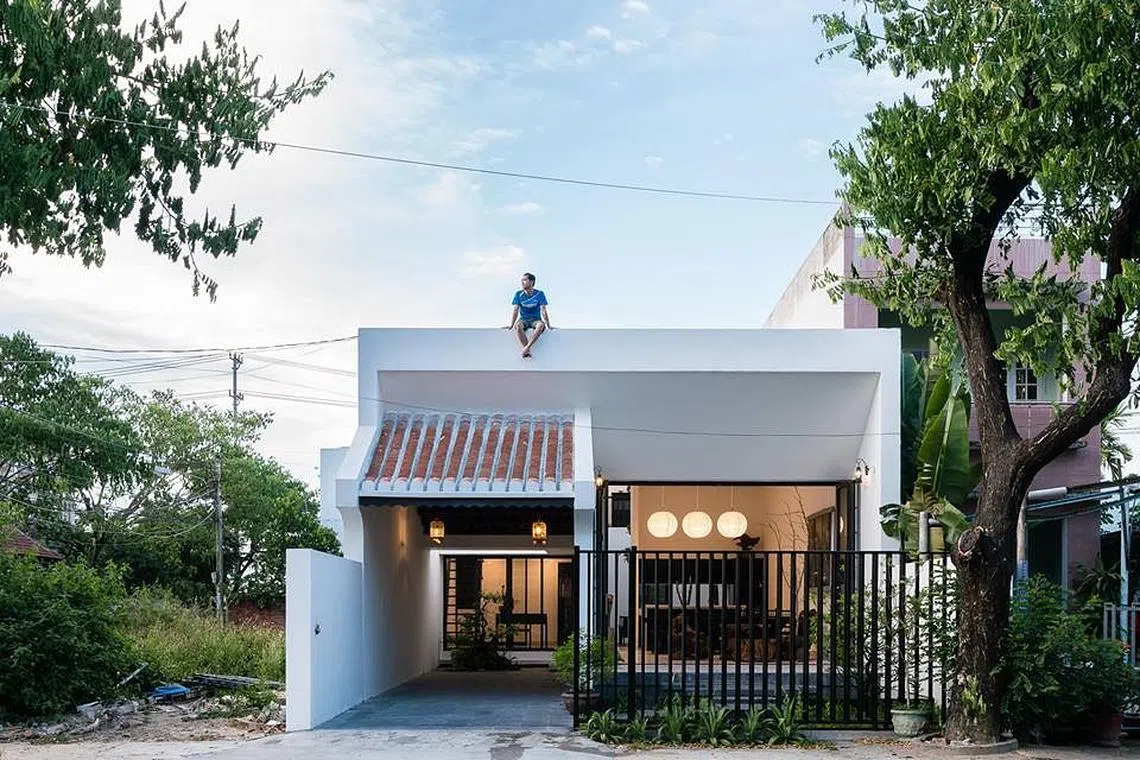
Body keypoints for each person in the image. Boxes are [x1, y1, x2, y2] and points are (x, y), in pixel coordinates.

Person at [505, 272, 551, 357]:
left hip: (536, 320)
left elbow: (543, 310)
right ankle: (527, 350)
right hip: (523, 320)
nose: (522, 282)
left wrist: (548, 325)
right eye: (522, 281)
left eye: (525, 280)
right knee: (517, 326)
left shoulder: (540, 294)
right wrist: (511, 325)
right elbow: (515, 310)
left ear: (531, 282)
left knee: (540, 325)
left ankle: (526, 348)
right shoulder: (518, 294)